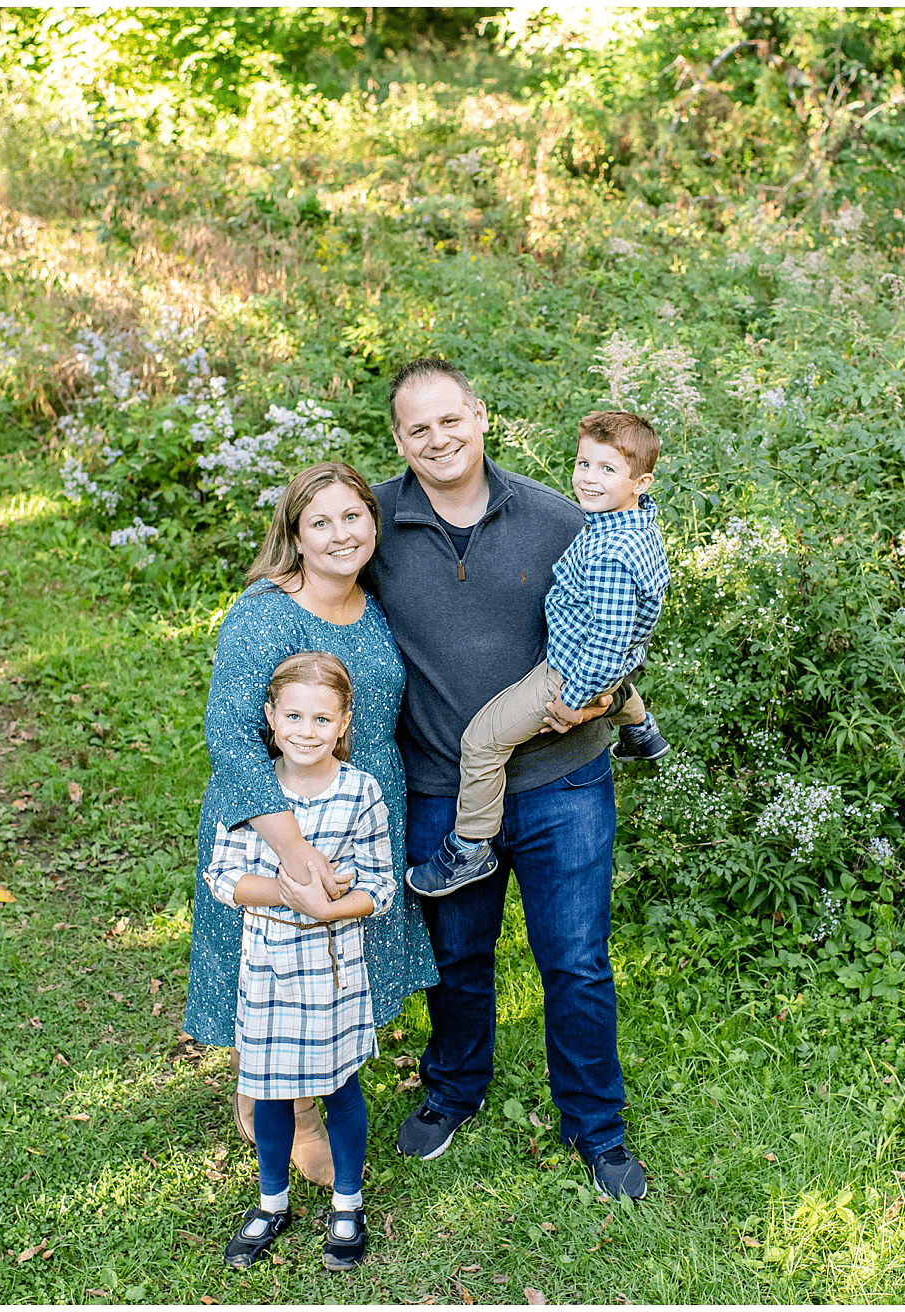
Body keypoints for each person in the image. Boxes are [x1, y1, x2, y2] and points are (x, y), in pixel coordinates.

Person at [365, 357, 648, 1200]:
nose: (438, 438)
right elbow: (316, 592)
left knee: (577, 963)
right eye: (418, 428)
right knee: (457, 956)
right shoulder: (374, 521)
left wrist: (605, 695)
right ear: (399, 439)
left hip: (563, 782)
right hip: (439, 786)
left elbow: (627, 616)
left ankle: (596, 1129)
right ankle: (454, 1089)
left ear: (480, 415)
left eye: (451, 420)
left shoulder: (564, 518)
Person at [183, 461, 438, 1187]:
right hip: (276, 815)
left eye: (352, 517)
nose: (339, 535)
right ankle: (282, 1106)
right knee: (278, 961)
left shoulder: (376, 604)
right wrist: (291, 851)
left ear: (373, 522)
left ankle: (322, 1078)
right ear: (295, 534)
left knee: (332, 966)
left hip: (360, 808)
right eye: (319, 522)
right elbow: (230, 736)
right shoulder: (263, 613)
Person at [409, 409, 671, 898]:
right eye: (583, 464)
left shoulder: (610, 554)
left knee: (482, 742)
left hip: (567, 671)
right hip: (610, 662)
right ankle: (641, 730)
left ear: (641, 481)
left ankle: (470, 845)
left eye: (607, 470)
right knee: (620, 677)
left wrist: (574, 698)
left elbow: (609, 641)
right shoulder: (633, 526)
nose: (588, 479)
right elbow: (626, 637)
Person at [203, 651, 389, 1270]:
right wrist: (288, 892)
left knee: (341, 1088)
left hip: (334, 971)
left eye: (321, 719)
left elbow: (380, 887)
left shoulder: (361, 792)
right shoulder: (253, 794)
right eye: (294, 716)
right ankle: (271, 1201)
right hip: (271, 970)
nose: (306, 731)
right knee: (271, 1090)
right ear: (270, 717)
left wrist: (329, 907)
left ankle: (347, 1203)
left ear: (342, 724)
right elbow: (224, 879)